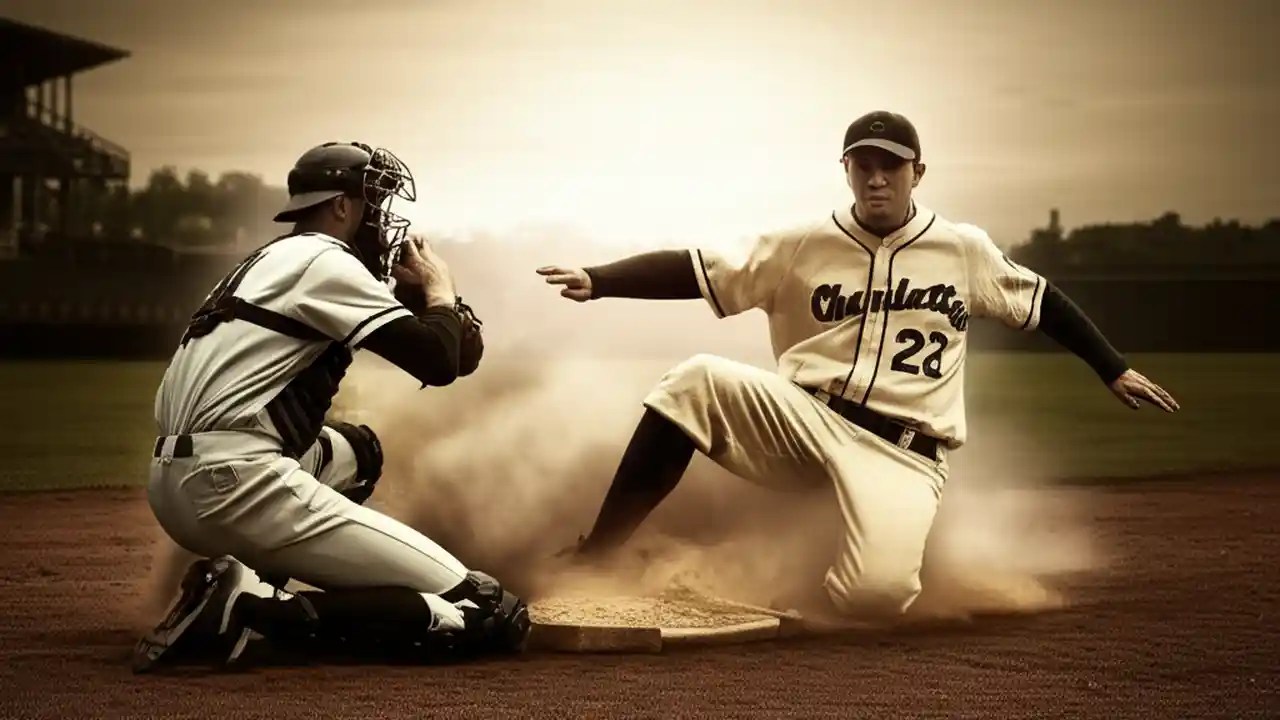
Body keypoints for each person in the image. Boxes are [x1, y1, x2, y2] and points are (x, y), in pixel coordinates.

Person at [536, 111, 1180, 622]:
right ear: (846, 171)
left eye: (891, 167)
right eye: (864, 165)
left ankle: (785, 581)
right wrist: (601, 278)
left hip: (904, 454)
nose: (877, 178)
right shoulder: (801, 243)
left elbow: (1044, 304)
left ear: (917, 173)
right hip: (806, 420)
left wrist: (1111, 367)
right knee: (695, 379)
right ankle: (598, 554)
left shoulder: (964, 250)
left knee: (877, 598)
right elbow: (699, 266)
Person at [133, 141, 527, 673]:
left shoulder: (276, 259)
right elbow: (437, 362)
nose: (382, 221)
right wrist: (439, 289)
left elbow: (459, 356)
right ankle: (254, 613)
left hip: (181, 478)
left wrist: (433, 305)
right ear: (342, 206)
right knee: (483, 610)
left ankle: (244, 578)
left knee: (356, 454)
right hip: (237, 484)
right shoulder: (326, 262)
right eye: (375, 203)